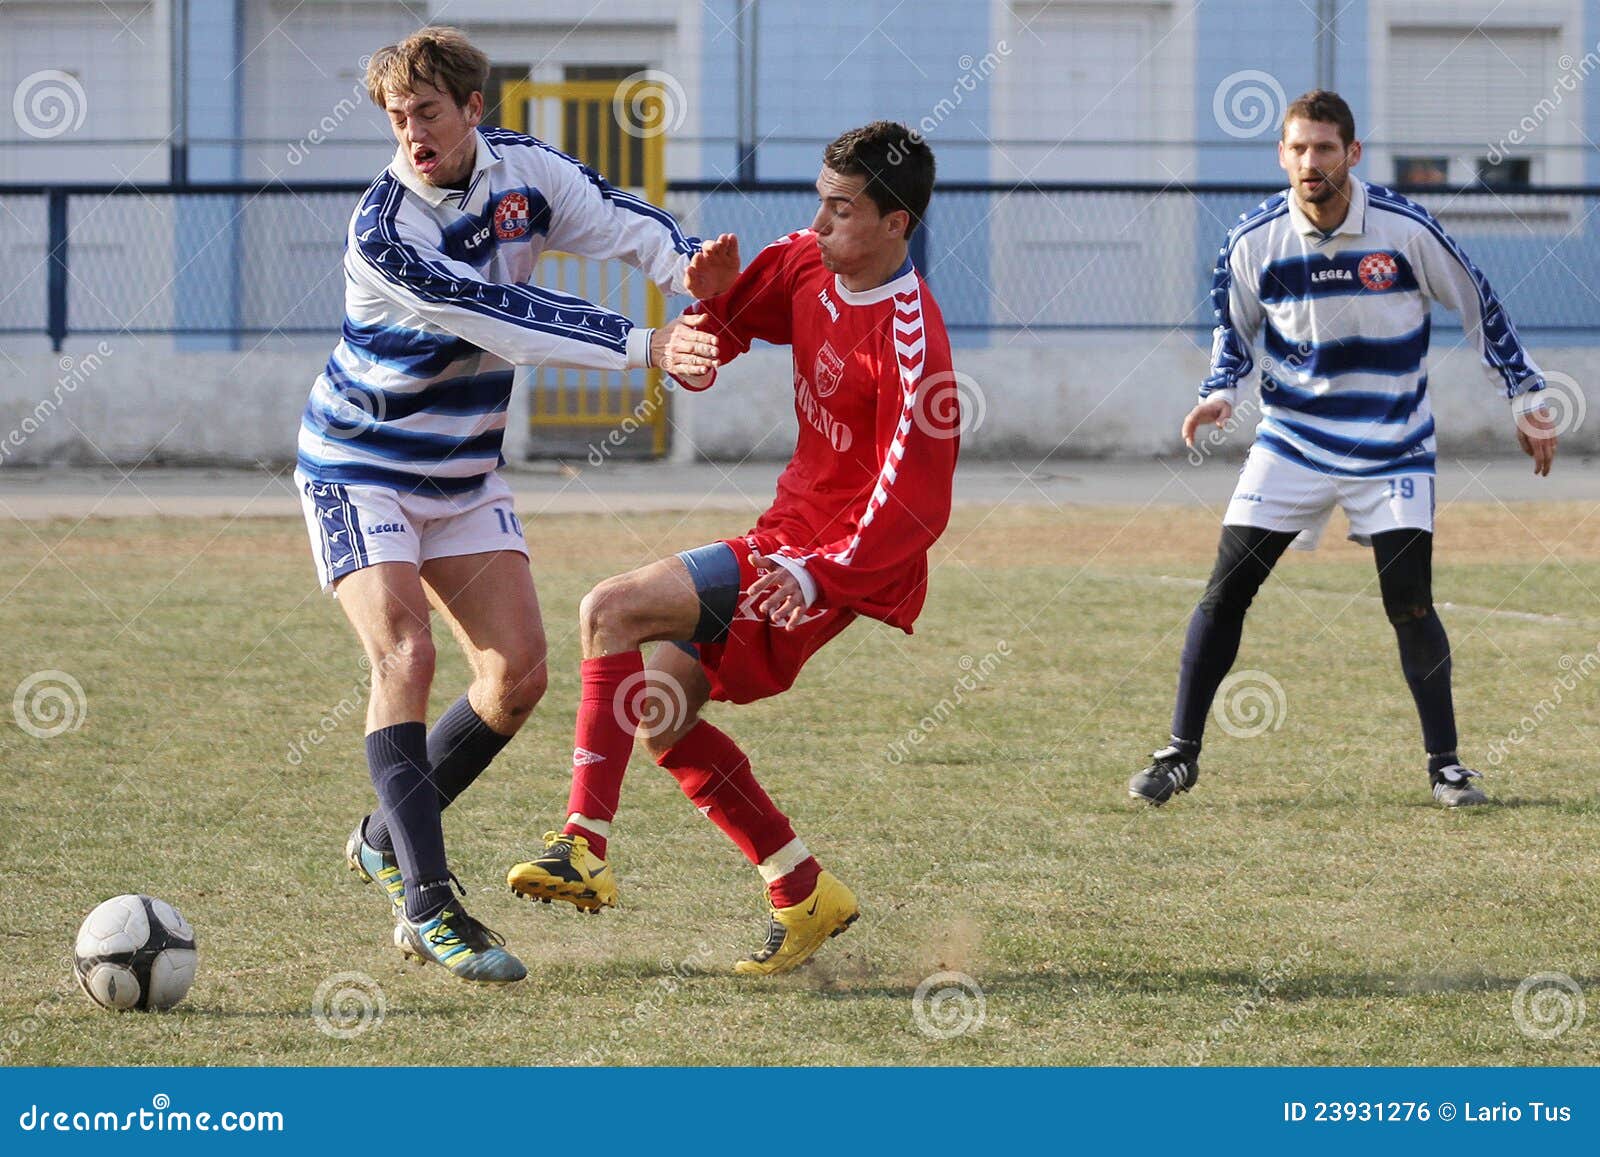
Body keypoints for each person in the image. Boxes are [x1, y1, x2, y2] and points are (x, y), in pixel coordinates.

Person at [295, 26, 737, 983]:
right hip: (359, 463)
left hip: (461, 474)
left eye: (427, 113)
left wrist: (691, 265)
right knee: (404, 653)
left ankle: (384, 839)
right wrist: (648, 345)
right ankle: (429, 899)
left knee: (518, 678)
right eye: (396, 118)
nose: (411, 133)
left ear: (471, 110)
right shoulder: (384, 232)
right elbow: (504, 318)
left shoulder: (526, 173)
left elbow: (619, 221)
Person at [506, 121, 960, 975]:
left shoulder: (915, 344)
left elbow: (915, 505)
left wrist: (817, 573)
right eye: (819, 202)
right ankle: (803, 890)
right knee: (661, 716)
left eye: (842, 210)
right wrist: (708, 310)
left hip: (819, 568)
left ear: (898, 224)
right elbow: (718, 333)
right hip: (784, 540)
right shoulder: (805, 261)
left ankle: (583, 846)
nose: (819, 224)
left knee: (610, 607)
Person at [1130, 90, 1557, 811]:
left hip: (1392, 444)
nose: (1310, 162)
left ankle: (1447, 768)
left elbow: (1477, 298)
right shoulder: (1253, 239)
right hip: (1292, 441)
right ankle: (1179, 754)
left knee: (1410, 603)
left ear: (1352, 154)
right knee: (1224, 592)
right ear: (1282, 155)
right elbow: (1231, 334)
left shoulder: (1403, 226)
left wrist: (1525, 395)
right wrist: (1221, 393)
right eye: (1298, 148)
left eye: (1325, 148)